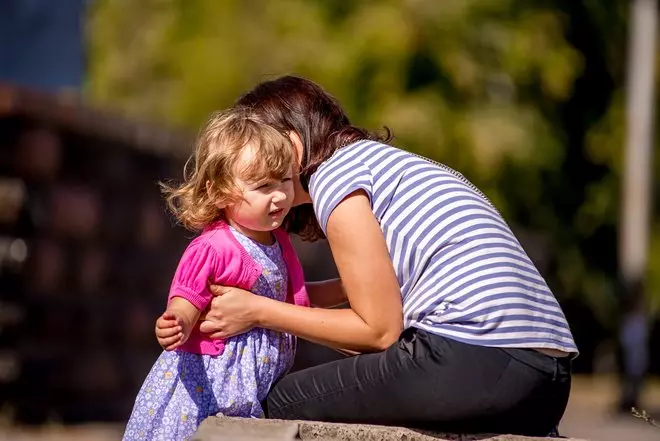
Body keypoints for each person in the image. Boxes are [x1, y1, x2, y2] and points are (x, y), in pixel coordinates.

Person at [164, 75, 578, 436]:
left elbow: (379, 332)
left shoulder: (336, 179)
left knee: (270, 407)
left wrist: (258, 311)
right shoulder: (383, 164)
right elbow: (386, 336)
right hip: (546, 382)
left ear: (291, 142)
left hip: (476, 361)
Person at [124, 108, 310, 441]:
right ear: (219, 192)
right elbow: (188, 294)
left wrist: (343, 291)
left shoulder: (277, 241)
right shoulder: (215, 246)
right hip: (206, 386)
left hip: (248, 386)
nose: (280, 194)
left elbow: (285, 294)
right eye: (263, 186)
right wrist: (178, 320)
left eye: (284, 179)